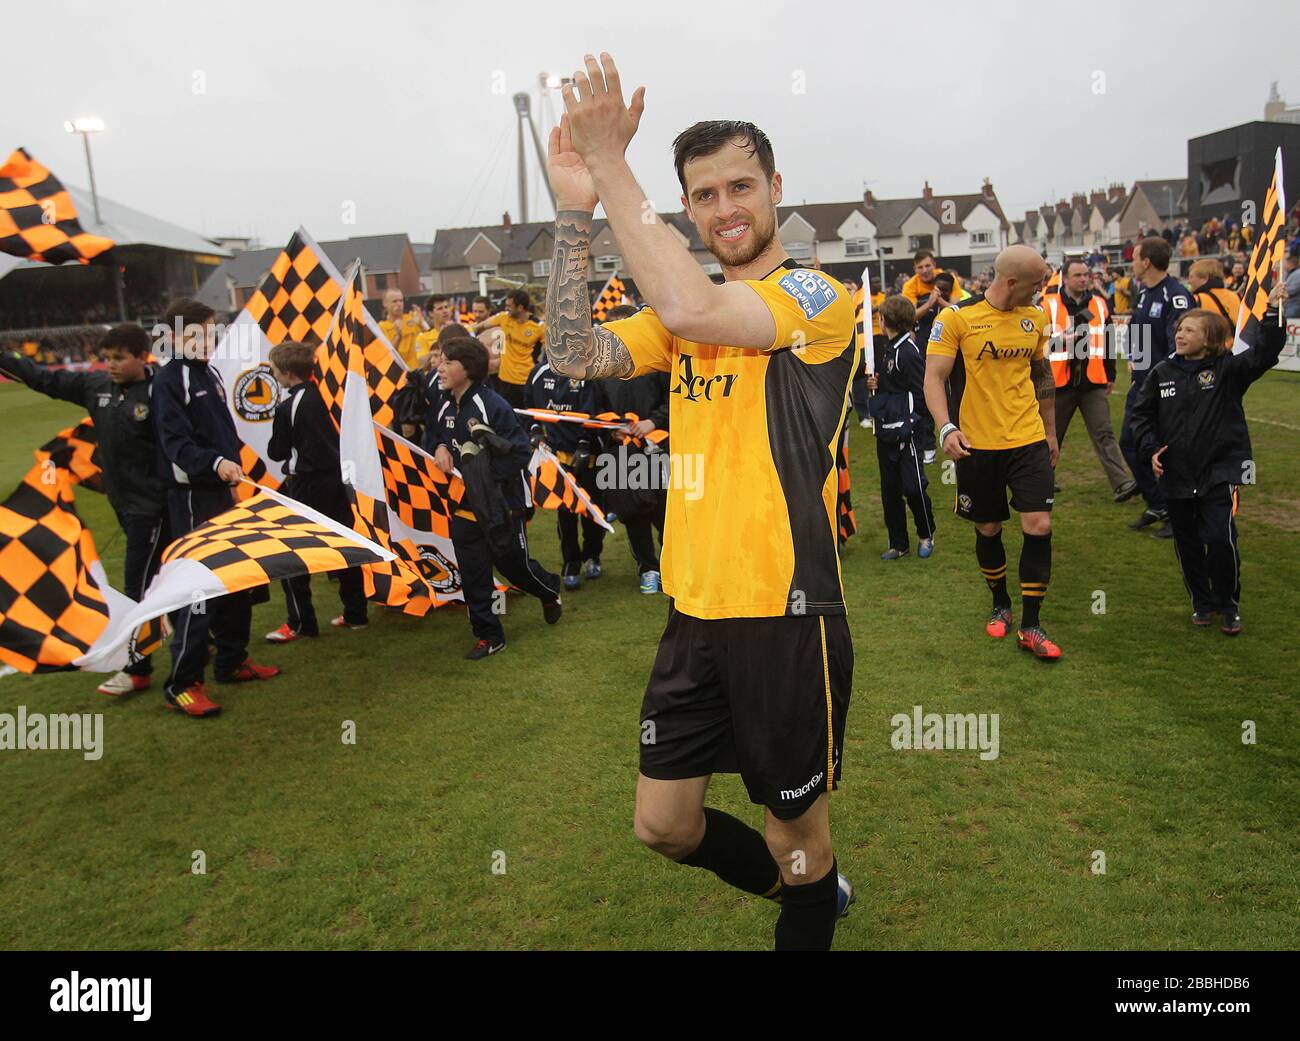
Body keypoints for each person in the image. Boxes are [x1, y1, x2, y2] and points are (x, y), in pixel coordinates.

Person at [545, 54, 856, 950]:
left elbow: (689, 310)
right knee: (665, 826)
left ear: (775, 188)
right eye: (706, 195)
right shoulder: (690, 305)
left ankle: (809, 894)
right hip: (694, 609)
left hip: (787, 614)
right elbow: (573, 353)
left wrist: (611, 168)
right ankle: (815, 897)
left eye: (741, 187)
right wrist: (576, 211)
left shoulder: (814, 295)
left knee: (797, 837)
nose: (726, 209)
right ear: (688, 208)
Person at [0, 323, 171, 698]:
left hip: (153, 508)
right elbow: (42, 378)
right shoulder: (97, 388)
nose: (110, 365)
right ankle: (196, 638)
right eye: (106, 357)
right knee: (162, 577)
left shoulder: (163, 391)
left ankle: (137, 670)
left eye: (119, 358)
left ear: (142, 357)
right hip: (124, 505)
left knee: (137, 587)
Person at [924, 245, 1062, 662]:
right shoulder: (956, 318)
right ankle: (1000, 602)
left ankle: (1032, 624)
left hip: (1028, 439)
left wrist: (1051, 431)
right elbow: (934, 376)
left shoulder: (1034, 318)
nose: (1042, 291)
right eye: (1037, 283)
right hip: (977, 445)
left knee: (1038, 525)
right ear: (1012, 282)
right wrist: (945, 427)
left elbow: (1042, 374)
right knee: (987, 528)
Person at [1128, 284, 1288, 635]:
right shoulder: (1162, 372)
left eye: (1189, 329)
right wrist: (1151, 449)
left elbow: (1265, 352)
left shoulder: (1229, 371)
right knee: (1187, 544)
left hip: (1218, 471)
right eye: (1179, 328)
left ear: (1211, 338)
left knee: (1219, 539)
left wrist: (1274, 314)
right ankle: (1201, 602)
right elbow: (1141, 418)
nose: (1180, 334)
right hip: (1175, 474)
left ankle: (1228, 604)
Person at [152, 299, 280, 717]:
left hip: (224, 494)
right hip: (193, 498)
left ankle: (231, 659)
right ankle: (182, 684)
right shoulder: (170, 380)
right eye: (195, 334)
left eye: (210, 332)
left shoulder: (209, 373)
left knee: (237, 577)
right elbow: (175, 444)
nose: (205, 340)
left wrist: (231, 462)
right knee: (199, 589)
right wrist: (214, 463)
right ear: (173, 337)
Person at [428, 337, 562, 659]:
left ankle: (548, 590)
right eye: (440, 360)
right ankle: (489, 635)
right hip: (464, 508)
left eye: (447, 362)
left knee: (515, 569)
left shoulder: (493, 406)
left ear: (469, 368)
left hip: (503, 506)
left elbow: (518, 453)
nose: (439, 367)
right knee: (473, 574)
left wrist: (482, 472)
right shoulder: (445, 403)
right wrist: (441, 447)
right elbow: (434, 434)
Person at [263, 342, 368, 642]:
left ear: (286, 373)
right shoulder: (327, 394)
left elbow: (277, 450)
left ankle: (300, 623)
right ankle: (356, 614)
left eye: (274, 370)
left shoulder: (288, 406)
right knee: (346, 548)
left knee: (292, 554)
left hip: (307, 484)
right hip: (337, 480)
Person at [1039, 258, 1137, 501]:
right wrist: (1061, 341)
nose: (1083, 279)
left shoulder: (1100, 304)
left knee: (1104, 432)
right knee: (1051, 434)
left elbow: (1109, 340)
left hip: (1092, 380)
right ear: (1065, 278)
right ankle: (1041, 480)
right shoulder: (1047, 305)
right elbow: (1036, 345)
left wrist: (1110, 374)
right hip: (1058, 383)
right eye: (1078, 275)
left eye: (1086, 275)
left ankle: (1121, 483)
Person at [591, 303, 670, 593]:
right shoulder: (602, 369)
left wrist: (653, 422)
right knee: (633, 512)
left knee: (666, 512)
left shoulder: (660, 360)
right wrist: (612, 427)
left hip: (659, 449)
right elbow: (595, 409)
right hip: (622, 453)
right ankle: (648, 568)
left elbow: (678, 398)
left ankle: (673, 566)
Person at [1120, 236, 1193, 539]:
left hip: (1164, 388)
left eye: (1135, 258)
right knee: (1130, 442)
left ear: (1146, 261)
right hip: (1142, 383)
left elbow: (1181, 346)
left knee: (1164, 450)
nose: (1132, 263)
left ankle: (1179, 515)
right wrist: (1135, 361)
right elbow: (1138, 331)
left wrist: (1163, 380)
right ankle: (1158, 503)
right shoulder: (1142, 293)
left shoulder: (1176, 296)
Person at [523, 353, 605, 590]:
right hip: (556, 456)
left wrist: (584, 444)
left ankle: (592, 555)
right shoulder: (538, 373)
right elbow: (530, 407)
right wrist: (535, 429)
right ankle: (571, 561)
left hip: (588, 456)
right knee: (565, 511)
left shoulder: (587, 371)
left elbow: (594, 412)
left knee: (591, 507)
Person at [867, 295, 935, 560]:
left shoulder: (908, 352)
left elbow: (920, 393)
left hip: (907, 432)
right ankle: (898, 543)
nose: (879, 321)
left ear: (887, 320)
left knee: (913, 487)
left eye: (880, 317)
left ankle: (926, 533)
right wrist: (877, 385)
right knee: (890, 490)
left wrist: (912, 423)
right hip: (886, 430)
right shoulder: (889, 347)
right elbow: (892, 384)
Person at [902, 250, 961, 462]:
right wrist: (929, 303)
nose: (925, 271)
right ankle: (928, 445)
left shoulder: (947, 279)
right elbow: (909, 315)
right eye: (920, 268)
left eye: (928, 266)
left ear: (933, 264)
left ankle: (957, 437)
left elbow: (958, 309)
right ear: (915, 270)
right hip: (924, 342)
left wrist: (940, 302)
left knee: (954, 392)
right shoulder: (911, 286)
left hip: (951, 340)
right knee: (924, 393)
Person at [473, 289, 545, 407]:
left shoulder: (538, 326)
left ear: (520, 308)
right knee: (509, 414)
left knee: (528, 416)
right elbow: (480, 326)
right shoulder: (503, 318)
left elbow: (550, 350)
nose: (506, 309)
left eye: (509, 306)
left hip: (526, 379)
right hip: (505, 380)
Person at [1187, 258, 1243, 328]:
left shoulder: (1197, 299)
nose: (1188, 281)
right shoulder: (1234, 296)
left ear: (1204, 279)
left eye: (1191, 277)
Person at [378, 288, 426, 369]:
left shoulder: (412, 318)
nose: (399, 304)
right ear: (385, 303)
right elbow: (387, 354)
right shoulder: (382, 327)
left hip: (416, 371)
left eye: (401, 301)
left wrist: (422, 324)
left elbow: (428, 338)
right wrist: (398, 336)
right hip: (398, 373)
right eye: (394, 301)